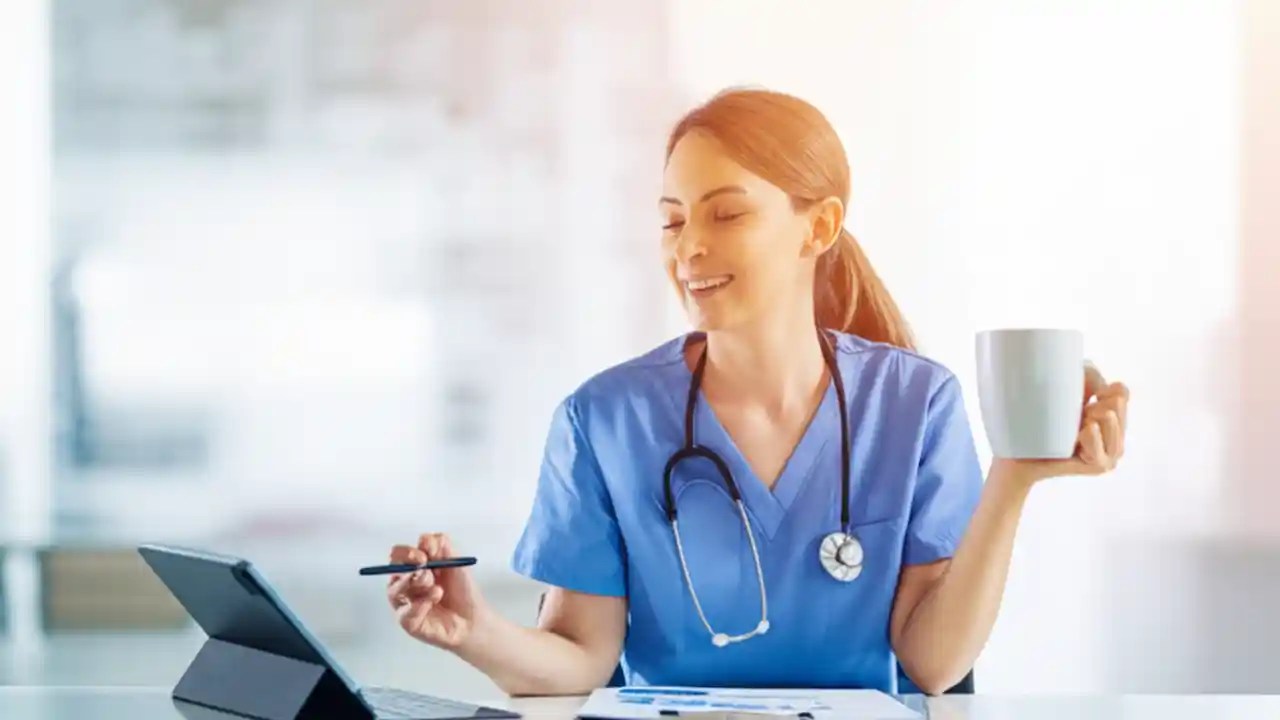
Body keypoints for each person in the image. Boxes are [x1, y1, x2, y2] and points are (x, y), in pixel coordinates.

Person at [384, 88, 1130, 696]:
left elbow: (933, 666)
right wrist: (474, 629)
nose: (689, 247)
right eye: (672, 221)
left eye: (727, 213)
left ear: (820, 227)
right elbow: (580, 658)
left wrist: (1014, 477)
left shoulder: (914, 405)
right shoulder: (604, 420)